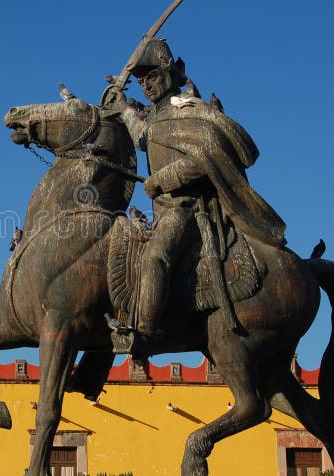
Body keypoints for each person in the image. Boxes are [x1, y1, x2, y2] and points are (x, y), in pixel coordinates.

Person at [112, 38, 286, 353]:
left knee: (155, 257)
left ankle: (144, 334)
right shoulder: (155, 118)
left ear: (171, 72)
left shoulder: (192, 109)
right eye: (141, 81)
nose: (147, 86)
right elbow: (143, 137)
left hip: (189, 207)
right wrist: (122, 107)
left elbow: (211, 154)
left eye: (152, 76)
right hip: (165, 208)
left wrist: (162, 179)